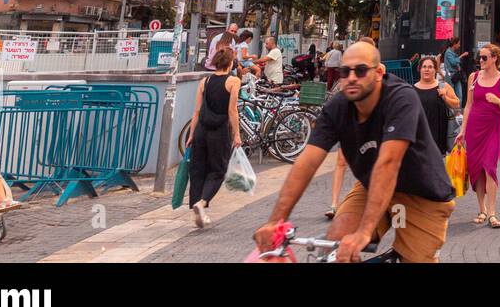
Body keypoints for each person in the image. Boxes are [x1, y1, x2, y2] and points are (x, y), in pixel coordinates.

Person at [254, 40, 456, 263]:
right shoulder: (337, 107)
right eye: (344, 71)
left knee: (414, 258)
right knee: (338, 244)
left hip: (422, 194)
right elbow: (307, 163)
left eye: (360, 70)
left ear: (379, 72)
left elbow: (388, 164)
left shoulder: (401, 98)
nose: (351, 77)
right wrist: (276, 220)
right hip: (372, 186)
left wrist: (364, 232)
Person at [457, 42, 500, 228]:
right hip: (474, 128)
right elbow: (468, 105)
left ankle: (492, 213)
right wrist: (463, 130)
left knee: (490, 167)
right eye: (479, 57)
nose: (480, 61)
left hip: (493, 129)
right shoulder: (473, 77)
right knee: (476, 170)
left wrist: (498, 100)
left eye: (484, 57)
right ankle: (481, 209)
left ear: (494, 58)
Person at [185, 44, 242, 228]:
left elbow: (196, 111)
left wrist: (191, 134)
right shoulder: (233, 82)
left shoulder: (205, 82)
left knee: (198, 169)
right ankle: (201, 203)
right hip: (219, 132)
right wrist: (237, 135)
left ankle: (197, 207)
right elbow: (232, 111)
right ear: (230, 63)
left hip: (201, 130)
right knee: (217, 171)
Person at [414, 55, 460, 155]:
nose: (427, 69)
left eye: (430, 67)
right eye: (424, 67)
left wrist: (445, 97)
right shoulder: (412, 89)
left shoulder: (443, 86)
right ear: (420, 69)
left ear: (435, 70)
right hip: (419, 136)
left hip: (438, 136)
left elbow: (456, 104)